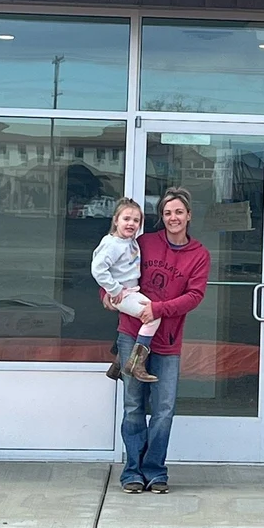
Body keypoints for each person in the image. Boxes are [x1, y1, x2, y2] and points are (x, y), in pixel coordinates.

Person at [111, 186, 210, 495]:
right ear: (161, 217)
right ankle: (132, 472)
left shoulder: (199, 255)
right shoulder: (143, 243)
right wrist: (108, 294)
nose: (173, 218)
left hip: (167, 341)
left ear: (189, 216)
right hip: (131, 334)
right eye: (167, 213)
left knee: (164, 409)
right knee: (133, 405)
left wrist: (158, 309)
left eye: (179, 212)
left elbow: (194, 296)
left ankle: (155, 470)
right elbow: (117, 270)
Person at [90, 197, 160, 383]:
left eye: (136, 220)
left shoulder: (129, 241)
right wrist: (113, 290)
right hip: (122, 293)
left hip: (131, 291)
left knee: (141, 321)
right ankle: (136, 363)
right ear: (116, 220)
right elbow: (98, 269)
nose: (131, 223)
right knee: (153, 316)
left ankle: (119, 363)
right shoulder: (113, 244)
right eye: (126, 219)